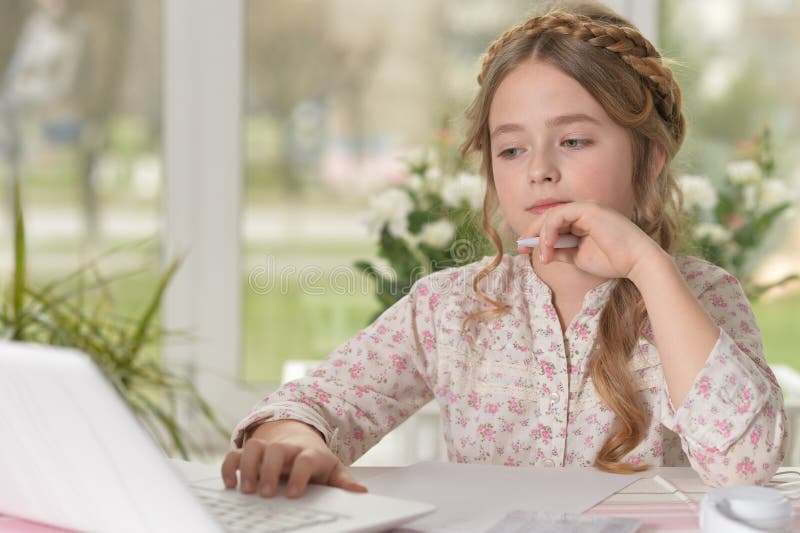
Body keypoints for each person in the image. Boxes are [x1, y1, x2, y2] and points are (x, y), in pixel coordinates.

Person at [222, 0, 787, 499]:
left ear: (650, 161)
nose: (540, 170)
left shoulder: (702, 296)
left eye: (573, 141)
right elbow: (317, 402)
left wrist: (646, 266)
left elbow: (746, 466)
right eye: (512, 149)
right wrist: (296, 439)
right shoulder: (449, 307)